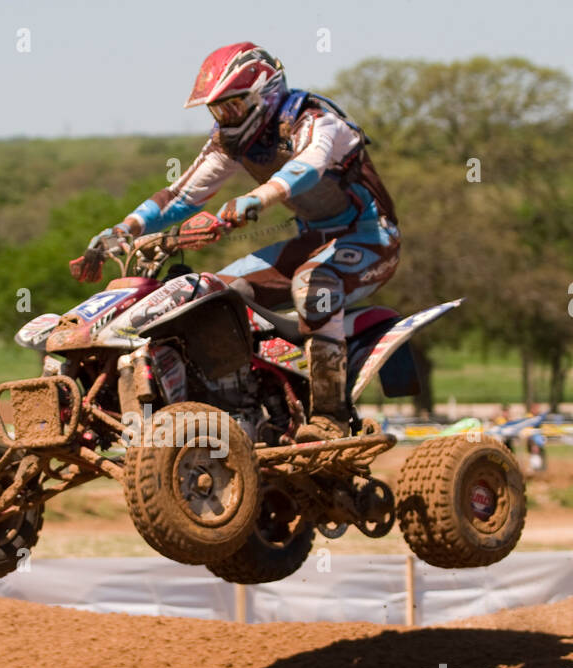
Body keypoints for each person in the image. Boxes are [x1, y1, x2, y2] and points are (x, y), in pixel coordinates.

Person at [78, 43, 401, 440]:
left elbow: (307, 167)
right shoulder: (233, 141)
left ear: (263, 95)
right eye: (218, 111)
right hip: (310, 241)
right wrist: (125, 228)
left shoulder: (314, 121)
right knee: (214, 296)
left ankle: (329, 418)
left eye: (233, 106)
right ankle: (243, 408)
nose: (226, 118)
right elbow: (181, 196)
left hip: (371, 238)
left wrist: (258, 198)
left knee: (313, 284)